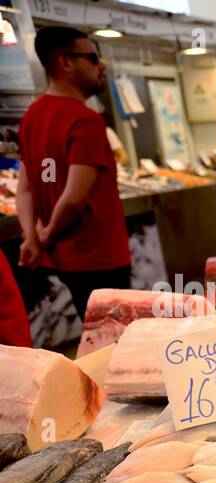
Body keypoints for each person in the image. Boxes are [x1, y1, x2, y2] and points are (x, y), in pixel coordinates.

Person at [15, 26, 131, 325]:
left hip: (63, 260)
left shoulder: (32, 116)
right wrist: (46, 233)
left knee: (93, 333)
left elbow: (25, 188)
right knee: (114, 342)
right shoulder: (86, 120)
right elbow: (75, 197)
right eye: (93, 57)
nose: (101, 65)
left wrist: (32, 237)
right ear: (65, 63)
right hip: (99, 257)